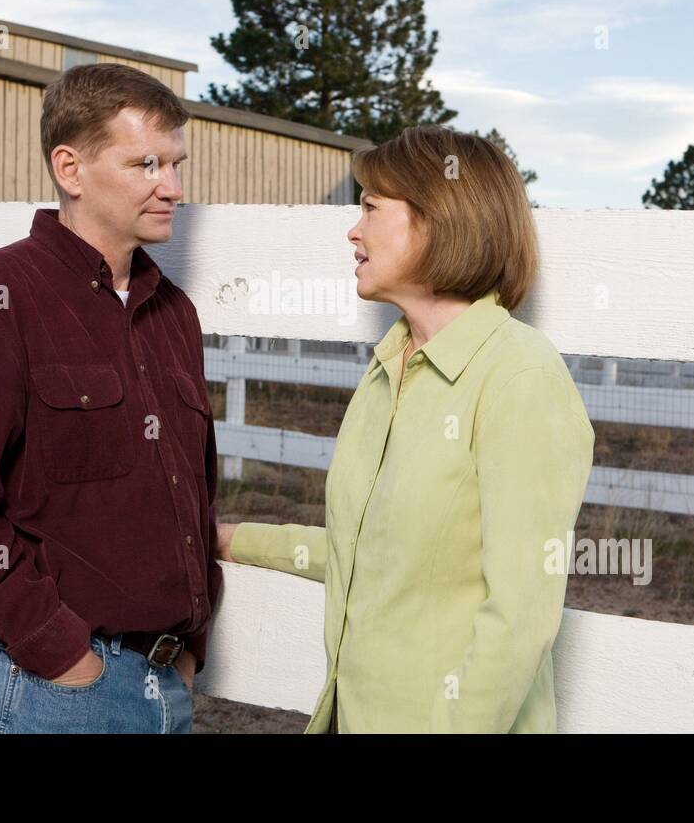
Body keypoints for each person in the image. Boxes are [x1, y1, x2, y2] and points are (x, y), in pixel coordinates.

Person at [217, 124, 595, 733]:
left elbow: (520, 618)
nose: (353, 229)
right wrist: (234, 540)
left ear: (438, 218)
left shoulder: (520, 377)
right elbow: (365, 551)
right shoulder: (387, 368)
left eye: (370, 207)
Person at [0, 63, 219, 733]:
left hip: (158, 689)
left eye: (176, 165)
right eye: (147, 164)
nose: (174, 188)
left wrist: (187, 646)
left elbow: (193, 493)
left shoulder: (173, 315)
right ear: (70, 169)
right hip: (34, 687)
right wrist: (63, 654)